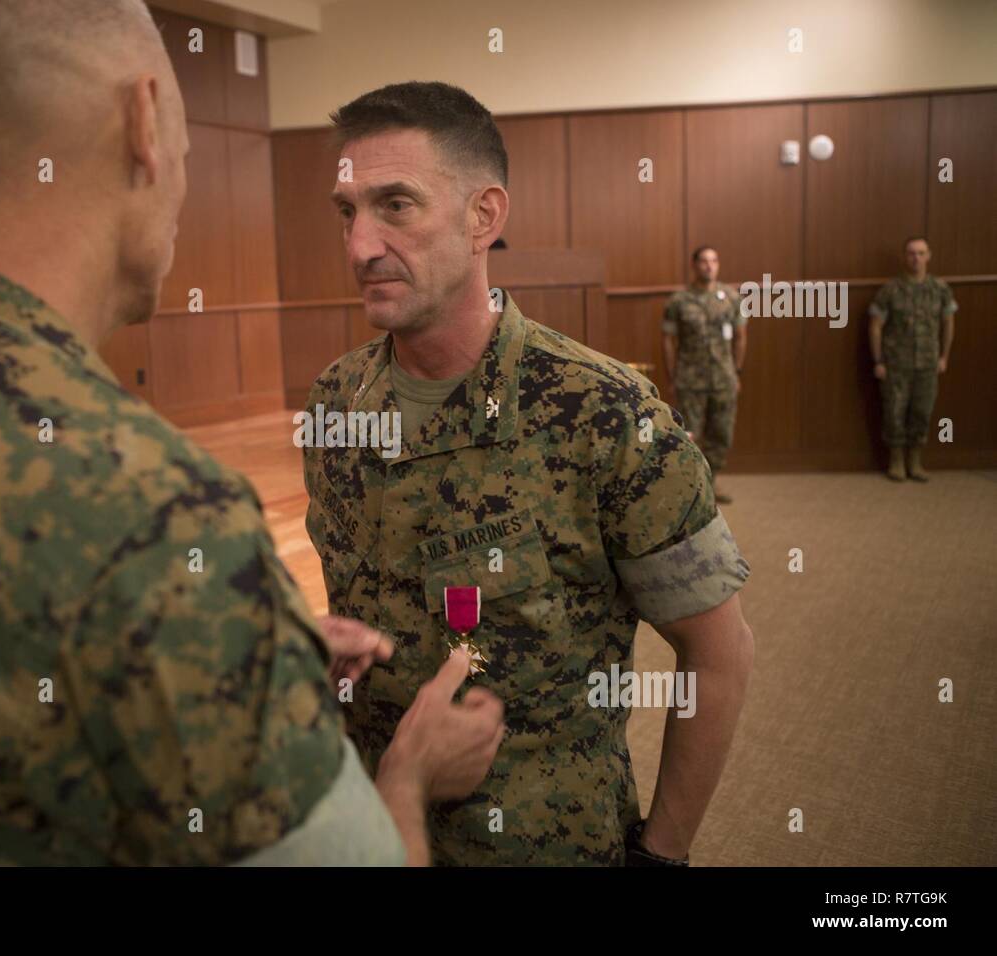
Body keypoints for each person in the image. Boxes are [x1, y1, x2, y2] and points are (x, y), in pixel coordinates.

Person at [0, 0, 503, 867]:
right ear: (145, 121)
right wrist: (405, 779)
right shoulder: (160, 509)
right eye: (185, 148)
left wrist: (223, 638)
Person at [303, 81, 755, 866]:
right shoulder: (337, 402)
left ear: (485, 216)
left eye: (396, 205)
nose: (359, 246)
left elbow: (718, 653)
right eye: (347, 211)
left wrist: (665, 853)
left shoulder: (606, 414)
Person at [661, 247, 747, 503]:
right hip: (690, 379)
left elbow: (741, 336)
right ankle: (693, 486)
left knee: (722, 433)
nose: (709, 266)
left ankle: (712, 481)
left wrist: (737, 370)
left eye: (714, 261)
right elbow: (668, 340)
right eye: (704, 261)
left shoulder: (731, 297)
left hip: (723, 378)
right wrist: (672, 376)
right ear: (694, 265)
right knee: (689, 435)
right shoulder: (678, 301)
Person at [868, 237, 958, 482]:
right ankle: (896, 460)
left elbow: (948, 323)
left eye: (920, 253)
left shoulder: (940, 289)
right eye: (911, 253)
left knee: (922, 411)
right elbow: (875, 326)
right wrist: (879, 360)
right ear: (905, 257)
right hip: (896, 364)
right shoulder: (891, 290)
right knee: (894, 412)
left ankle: (915, 460)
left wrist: (944, 357)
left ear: (929, 255)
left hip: (928, 363)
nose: (916, 258)